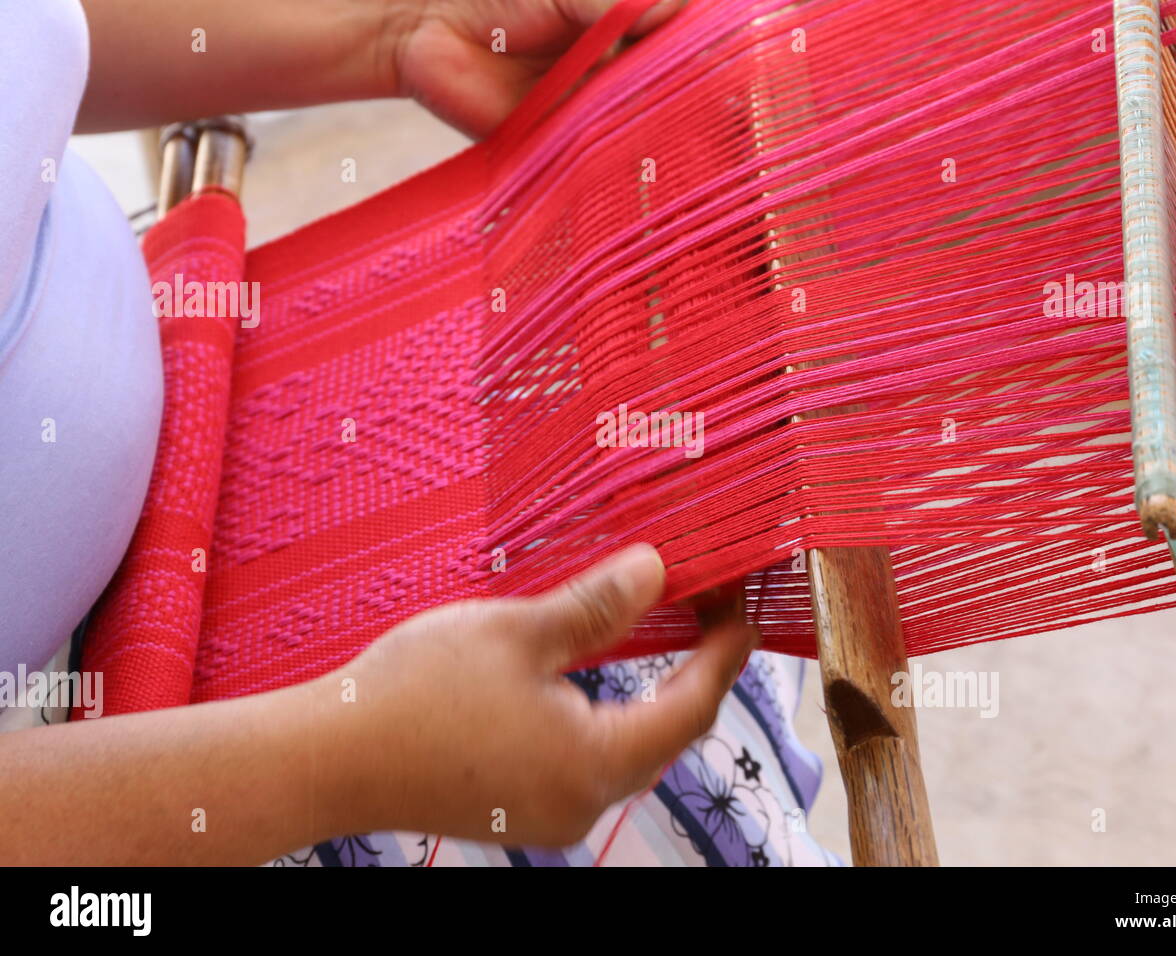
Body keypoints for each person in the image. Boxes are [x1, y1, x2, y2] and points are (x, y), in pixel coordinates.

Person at [0, 0, 836, 866]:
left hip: (196, 383)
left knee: (692, 528)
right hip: (106, 770)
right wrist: (343, 757)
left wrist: (404, 29)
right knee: (646, 749)